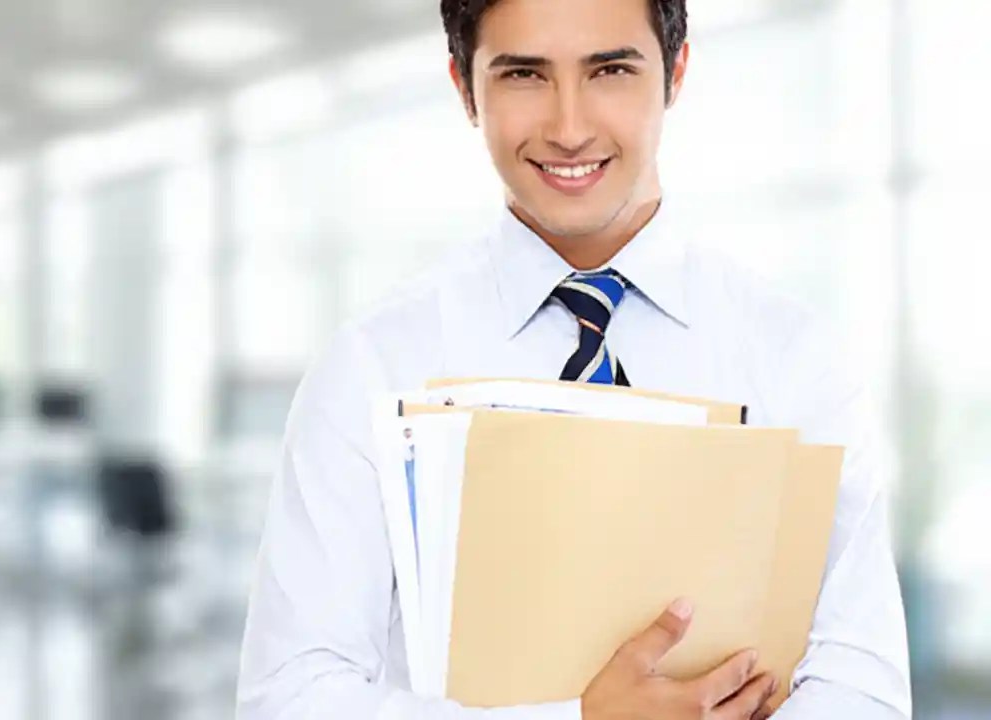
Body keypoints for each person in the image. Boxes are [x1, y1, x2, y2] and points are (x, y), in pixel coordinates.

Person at [236, 0, 911, 717]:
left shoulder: (795, 360)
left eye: (611, 71)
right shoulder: (370, 367)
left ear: (674, 73)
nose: (569, 128)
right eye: (524, 74)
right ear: (466, 88)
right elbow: (289, 699)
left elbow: (861, 689)